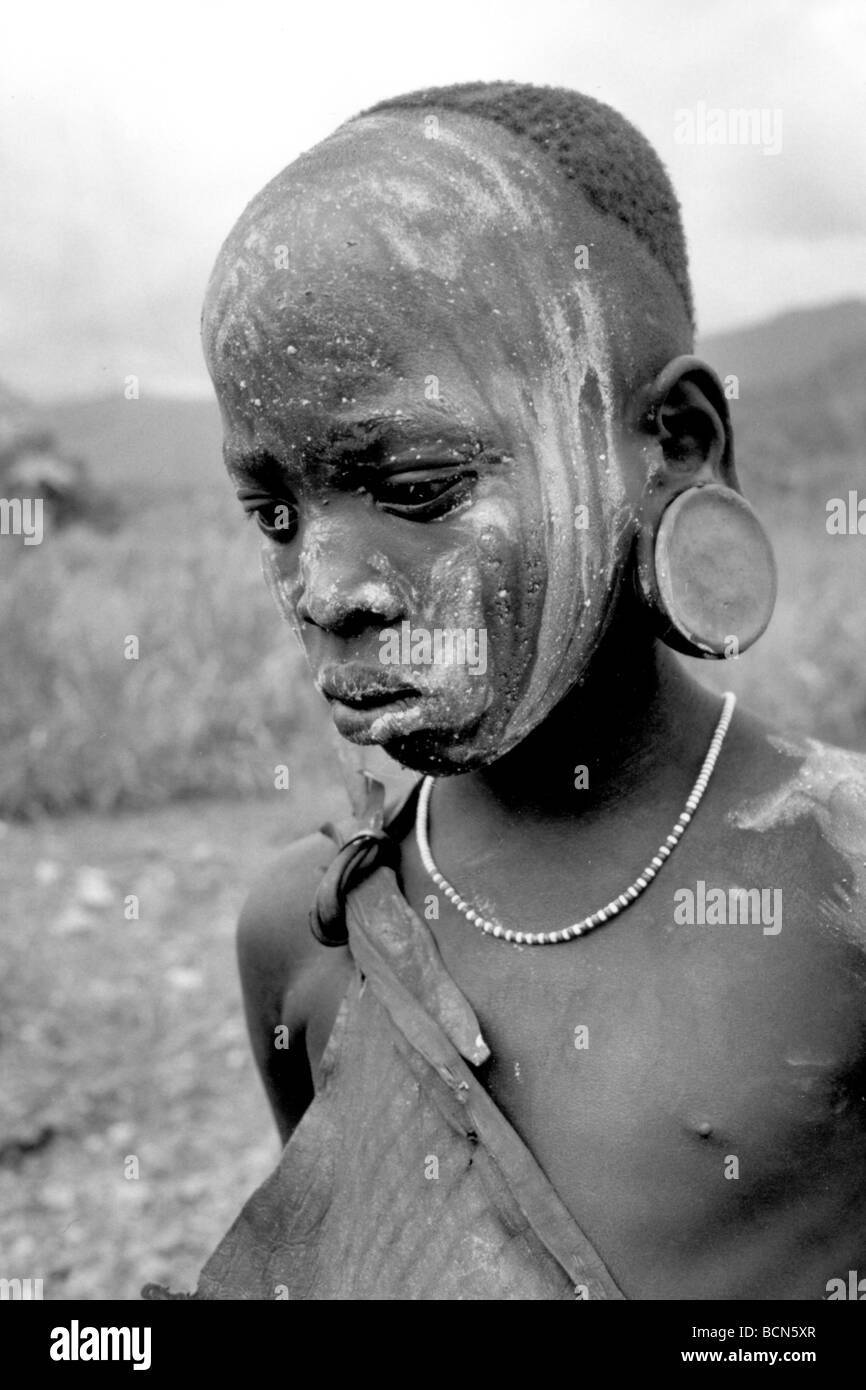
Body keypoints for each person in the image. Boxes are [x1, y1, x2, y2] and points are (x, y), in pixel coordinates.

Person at [153, 82, 866, 1300]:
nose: (326, 588)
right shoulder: (307, 935)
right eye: (273, 511)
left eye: (418, 485)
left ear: (672, 446)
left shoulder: (843, 889)